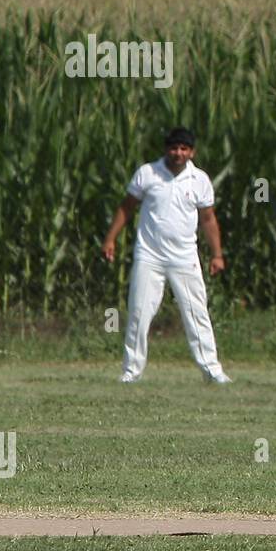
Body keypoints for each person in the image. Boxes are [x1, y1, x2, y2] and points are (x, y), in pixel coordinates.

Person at [101, 127, 232, 384]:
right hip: (149, 256)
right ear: (166, 149)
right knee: (139, 312)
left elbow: (208, 219)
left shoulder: (200, 180)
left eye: (184, 149)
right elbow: (126, 208)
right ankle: (131, 371)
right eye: (174, 148)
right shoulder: (147, 174)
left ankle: (212, 370)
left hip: (184, 257)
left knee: (197, 313)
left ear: (192, 152)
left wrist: (217, 254)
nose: (178, 153)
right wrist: (110, 239)